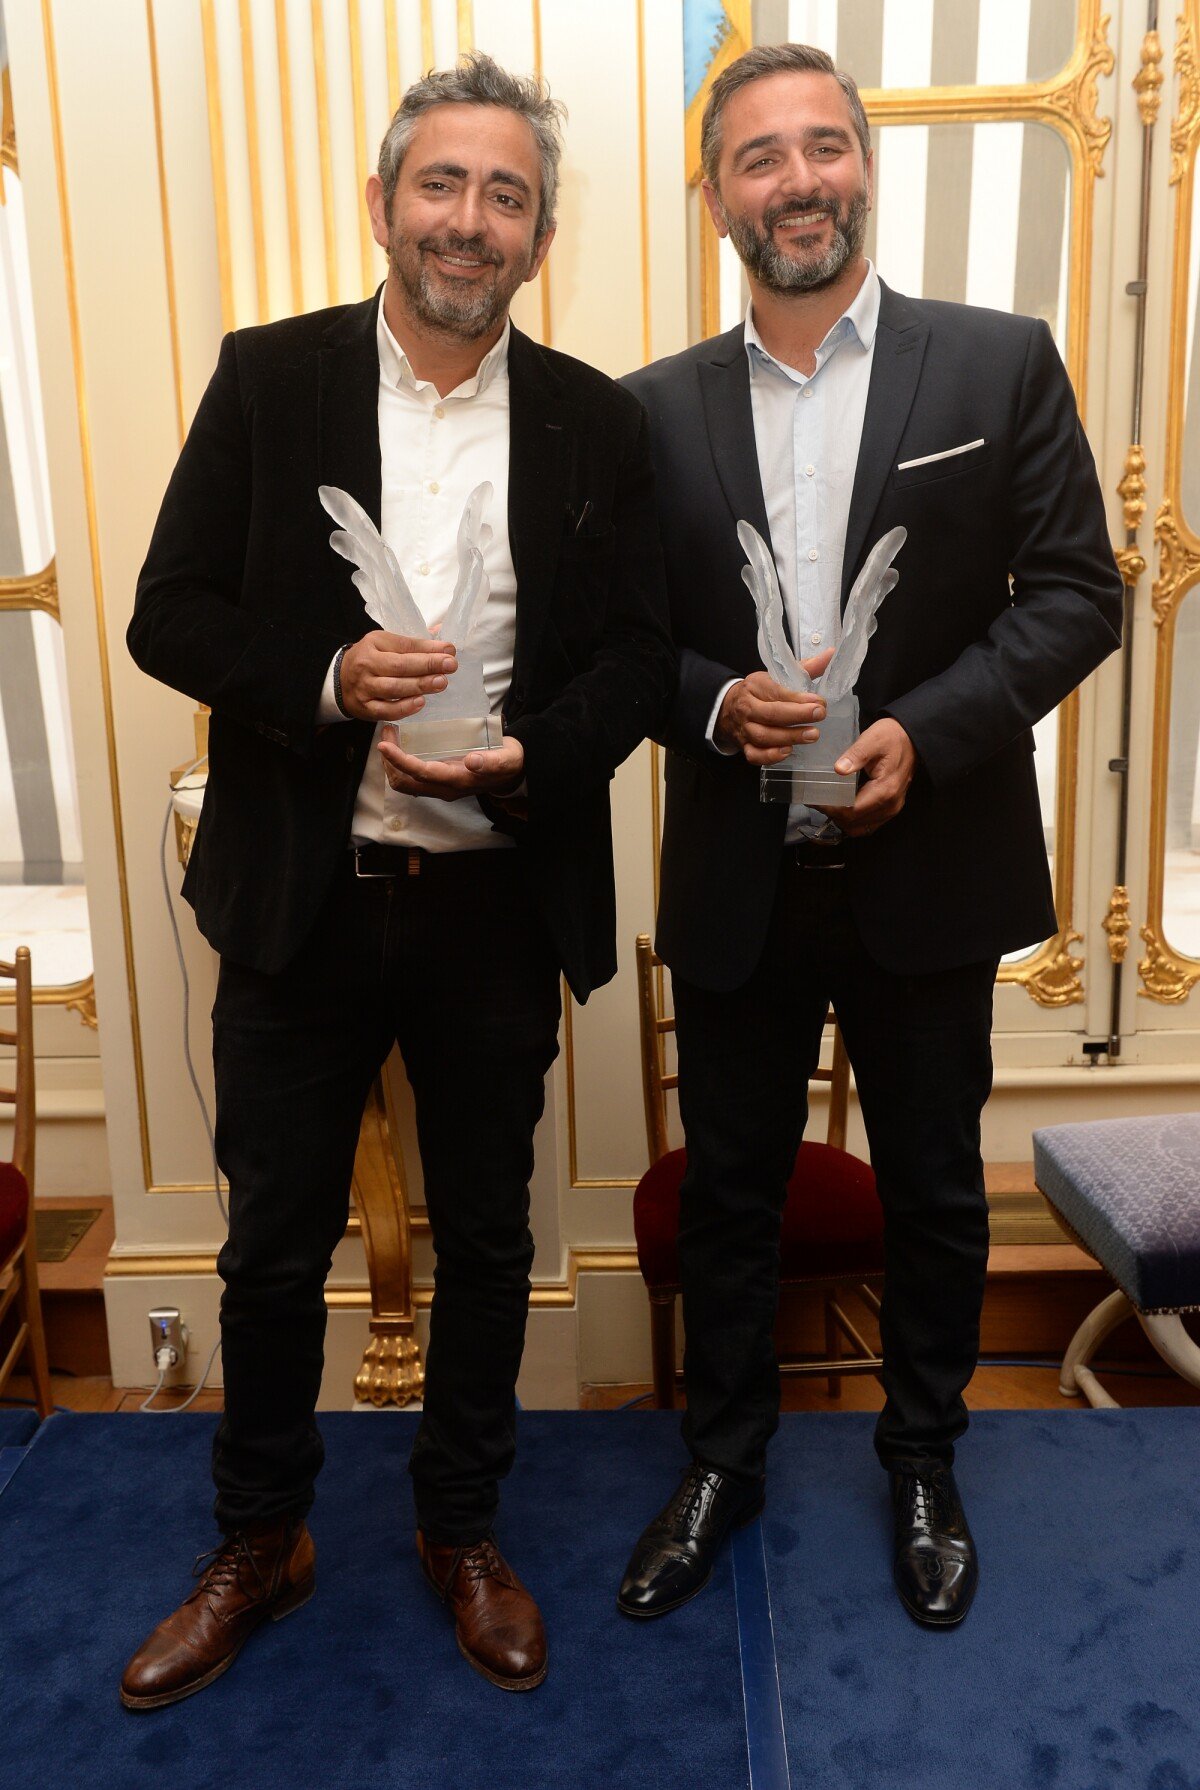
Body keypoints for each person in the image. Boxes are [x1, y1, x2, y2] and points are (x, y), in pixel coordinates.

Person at [121, 52, 672, 1707]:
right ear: (382, 203)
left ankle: (460, 1526)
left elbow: (638, 658)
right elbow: (167, 610)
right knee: (271, 1248)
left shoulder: (597, 420)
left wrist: (534, 754)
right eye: (443, 183)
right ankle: (259, 1538)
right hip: (304, 894)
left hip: (495, 901)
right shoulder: (267, 377)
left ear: (540, 236)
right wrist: (322, 677)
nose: (470, 219)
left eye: (507, 195)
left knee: (492, 1239)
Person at [618, 42, 1121, 1629]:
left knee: (935, 1189)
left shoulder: (999, 362)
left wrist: (933, 728)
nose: (799, 180)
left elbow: (1078, 593)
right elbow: (616, 643)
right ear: (716, 196)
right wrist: (718, 705)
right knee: (732, 1192)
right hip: (738, 871)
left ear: (865, 165)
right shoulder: (644, 412)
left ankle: (922, 1461)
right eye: (760, 156)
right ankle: (724, 1462)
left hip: (933, 862)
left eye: (824, 146)